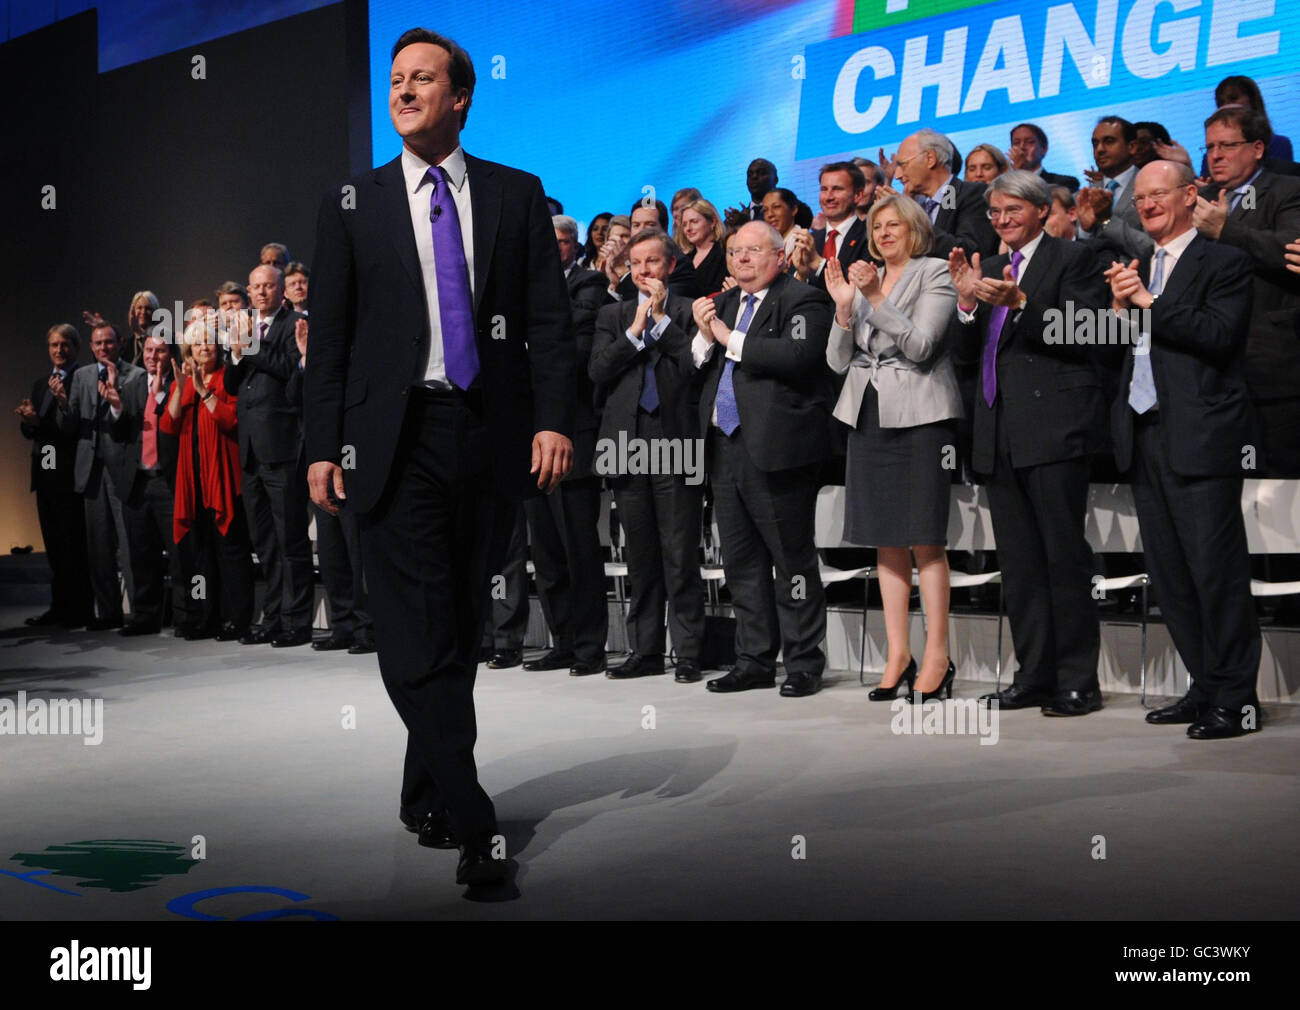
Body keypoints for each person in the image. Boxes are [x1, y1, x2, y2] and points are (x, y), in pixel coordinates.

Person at [304, 27, 574, 887]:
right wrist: (321, 446)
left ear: (460, 96)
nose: (404, 89)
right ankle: (475, 821)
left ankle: (426, 790)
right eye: (395, 78)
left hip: (486, 435)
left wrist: (555, 419)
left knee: (457, 623)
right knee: (412, 630)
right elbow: (332, 340)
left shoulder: (514, 194)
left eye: (423, 78)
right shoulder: (352, 202)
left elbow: (547, 325)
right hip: (390, 440)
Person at [1105, 160, 1263, 738]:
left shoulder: (1225, 261)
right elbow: (1134, 352)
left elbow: (1219, 338)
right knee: (1171, 576)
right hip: (1146, 433)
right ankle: (1204, 686)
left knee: (1214, 572)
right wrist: (1123, 317)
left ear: (1190, 194)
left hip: (1201, 435)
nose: (1145, 205)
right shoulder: (1142, 266)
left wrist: (1148, 303)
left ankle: (1237, 700)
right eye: (1139, 198)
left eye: (1157, 194)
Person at [946, 171, 1110, 716]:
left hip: (1054, 430)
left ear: (1042, 210)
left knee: (1063, 559)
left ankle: (1077, 682)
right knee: (1019, 566)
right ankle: (1033, 675)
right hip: (997, 434)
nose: (1001, 220)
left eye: (1012, 209)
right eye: (993, 212)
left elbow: (1085, 333)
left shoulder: (1076, 258)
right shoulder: (987, 268)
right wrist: (967, 307)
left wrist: (1021, 304)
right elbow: (966, 358)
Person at [825, 195, 961, 703]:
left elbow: (922, 346)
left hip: (921, 416)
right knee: (884, 538)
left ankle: (938, 655)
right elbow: (838, 363)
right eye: (876, 226)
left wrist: (877, 297)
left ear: (914, 229)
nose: (883, 234)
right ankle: (898, 653)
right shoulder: (863, 282)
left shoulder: (933, 273)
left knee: (924, 537)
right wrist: (843, 308)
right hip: (867, 414)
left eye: (893, 225)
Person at [690, 220, 832, 697]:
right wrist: (704, 333)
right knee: (741, 562)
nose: (742, 260)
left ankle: (803, 662)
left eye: (752, 251)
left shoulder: (803, 299)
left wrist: (727, 336)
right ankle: (753, 659)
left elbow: (798, 355)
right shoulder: (724, 303)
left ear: (779, 256)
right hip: (723, 447)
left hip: (777, 450)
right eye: (734, 252)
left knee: (791, 561)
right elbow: (698, 361)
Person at [590, 228, 706, 682]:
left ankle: (690, 652)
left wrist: (660, 322)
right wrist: (637, 331)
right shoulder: (612, 315)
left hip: (675, 440)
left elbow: (694, 365)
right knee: (640, 554)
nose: (644, 271)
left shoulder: (688, 311)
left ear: (670, 267)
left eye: (653, 262)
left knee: (680, 552)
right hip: (626, 443)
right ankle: (646, 651)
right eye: (636, 264)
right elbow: (598, 371)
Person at [520, 215, 610, 676]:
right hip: (528, 438)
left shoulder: (589, 282)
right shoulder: (519, 285)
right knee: (547, 553)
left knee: (579, 550)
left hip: (573, 436)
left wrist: (526, 342)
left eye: (564, 241)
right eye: (548, 240)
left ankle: (591, 647)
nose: (556, 247)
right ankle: (563, 641)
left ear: (575, 246)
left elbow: (572, 349)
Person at [1193, 105, 1300, 477]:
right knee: (1232, 482)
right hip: (1209, 376)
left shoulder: (1287, 190)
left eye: (1226, 145)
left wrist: (1227, 232)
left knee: (1280, 484)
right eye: (1209, 147)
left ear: (1257, 148)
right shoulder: (1197, 198)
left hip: (1271, 371)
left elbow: (1290, 250)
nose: (1216, 155)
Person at [225, 264, 313, 648]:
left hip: (281, 447)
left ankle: (298, 621)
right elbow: (232, 384)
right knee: (265, 544)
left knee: (290, 541)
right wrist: (235, 352)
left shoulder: (295, 323)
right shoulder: (243, 325)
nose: (261, 293)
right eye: (256, 287)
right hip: (250, 453)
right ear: (249, 290)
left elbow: (290, 371)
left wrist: (250, 348)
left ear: (282, 290)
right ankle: (274, 617)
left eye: (268, 286)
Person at [161, 313, 254, 641]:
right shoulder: (182, 382)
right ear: (189, 350)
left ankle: (238, 618)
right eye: (198, 343)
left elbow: (232, 420)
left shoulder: (228, 377)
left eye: (210, 342)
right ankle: (208, 616)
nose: (205, 347)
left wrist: (203, 391)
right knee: (202, 559)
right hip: (194, 483)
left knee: (231, 554)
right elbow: (168, 426)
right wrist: (181, 389)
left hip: (223, 480)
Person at [55, 322, 145, 630]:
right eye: (97, 343)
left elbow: (136, 423)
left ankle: (140, 613)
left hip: (121, 468)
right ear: (91, 348)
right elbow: (69, 427)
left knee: (129, 543)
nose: (103, 348)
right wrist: (64, 403)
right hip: (90, 470)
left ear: (119, 344)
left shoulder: (136, 375)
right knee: (99, 546)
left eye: (108, 342)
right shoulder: (81, 376)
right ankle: (107, 613)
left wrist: (116, 400)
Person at [16, 324, 91, 628]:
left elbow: (69, 430)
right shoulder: (40, 383)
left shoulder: (81, 380)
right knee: (54, 547)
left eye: (64, 345)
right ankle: (59, 607)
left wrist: (40, 423)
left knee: (73, 545)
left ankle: (80, 609)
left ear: (75, 347)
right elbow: (31, 431)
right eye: (53, 345)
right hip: (44, 475)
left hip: (67, 475)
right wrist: (28, 421)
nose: (59, 351)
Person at [117, 333, 184, 636]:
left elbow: (176, 426)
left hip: (167, 481)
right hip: (137, 481)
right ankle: (145, 616)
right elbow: (120, 433)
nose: (153, 356)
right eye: (148, 350)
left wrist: (158, 396)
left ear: (171, 355)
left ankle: (185, 616)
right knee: (141, 554)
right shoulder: (130, 386)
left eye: (160, 350)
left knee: (179, 553)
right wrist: (116, 408)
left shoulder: (178, 383)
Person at [889, 129, 1000, 259]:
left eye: (903, 165)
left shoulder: (971, 194)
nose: (898, 176)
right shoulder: (919, 205)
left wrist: (912, 217)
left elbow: (969, 251)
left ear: (930, 159)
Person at [789, 161, 874, 290]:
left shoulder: (870, 237)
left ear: (857, 195)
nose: (828, 197)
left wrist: (818, 263)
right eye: (824, 189)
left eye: (837, 189)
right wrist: (802, 275)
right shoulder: (809, 241)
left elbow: (861, 287)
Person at [1077, 116, 1152, 260]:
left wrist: (1107, 220)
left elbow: (1153, 248)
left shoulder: (1152, 186)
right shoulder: (1084, 197)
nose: (1099, 149)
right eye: (1095, 143)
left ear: (1132, 147)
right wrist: (1084, 230)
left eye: (1109, 141)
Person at [1008, 123, 1080, 191]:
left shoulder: (1064, 183)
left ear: (1044, 149)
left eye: (1030, 142)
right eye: (1016, 143)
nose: (1022, 147)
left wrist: (1020, 175)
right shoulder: (1004, 185)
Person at [679, 198, 727, 295]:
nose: (688, 228)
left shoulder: (724, 254)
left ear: (712, 222)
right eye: (684, 224)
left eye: (694, 222)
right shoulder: (684, 260)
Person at [762, 187, 803, 258]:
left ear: (793, 210)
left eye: (776, 207)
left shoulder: (803, 244)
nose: (770, 214)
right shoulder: (766, 247)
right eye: (765, 210)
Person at [125, 291, 160, 365]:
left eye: (148, 308)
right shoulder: (126, 345)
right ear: (132, 312)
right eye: (139, 308)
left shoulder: (165, 340)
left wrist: (140, 334)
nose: (143, 312)